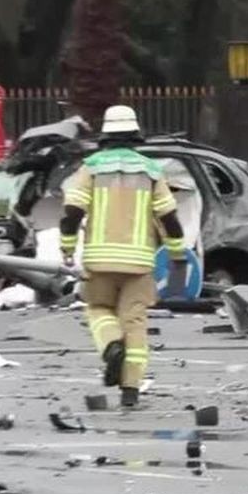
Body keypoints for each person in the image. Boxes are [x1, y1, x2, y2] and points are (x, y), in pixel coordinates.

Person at [59, 105, 188, 410]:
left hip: (99, 260)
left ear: (105, 135)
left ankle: (111, 346)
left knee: (98, 309)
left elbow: (71, 214)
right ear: (135, 135)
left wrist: (67, 249)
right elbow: (170, 219)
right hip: (139, 263)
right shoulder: (151, 171)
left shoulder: (90, 168)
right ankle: (131, 390)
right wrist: (178, 255)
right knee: (135, 322)